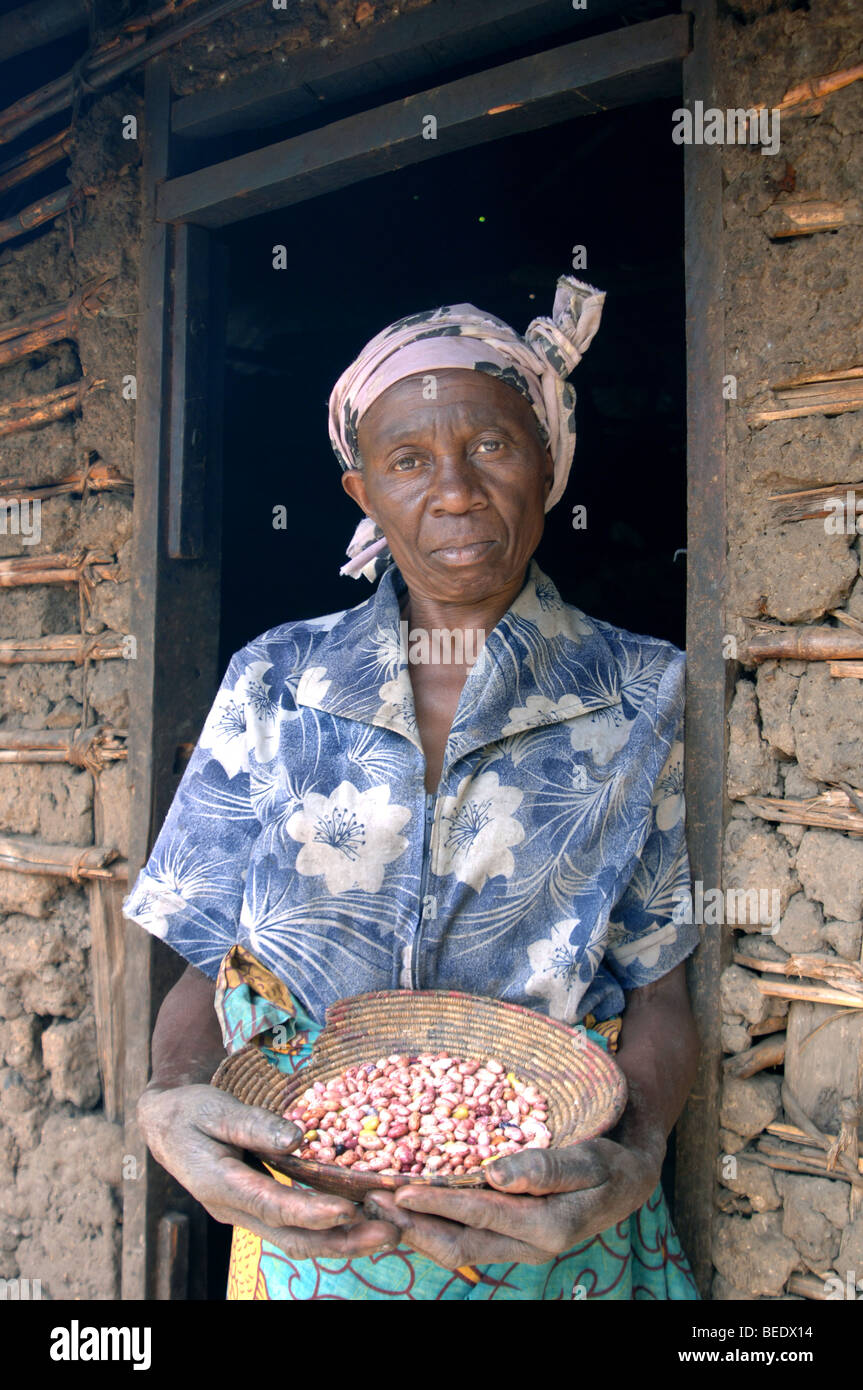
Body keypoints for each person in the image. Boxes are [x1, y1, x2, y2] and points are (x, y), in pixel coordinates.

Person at [123, 276, 702, 1300]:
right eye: (406, 460)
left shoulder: (639, 690)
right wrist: (169, 1098)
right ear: (363, 493)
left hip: (555, 1243)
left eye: (491, 446)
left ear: (548, 462)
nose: (453, 491)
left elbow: (658, 984)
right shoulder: (275, 681)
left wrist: (637, 1151)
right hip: (316, 1244)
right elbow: (205, 965)